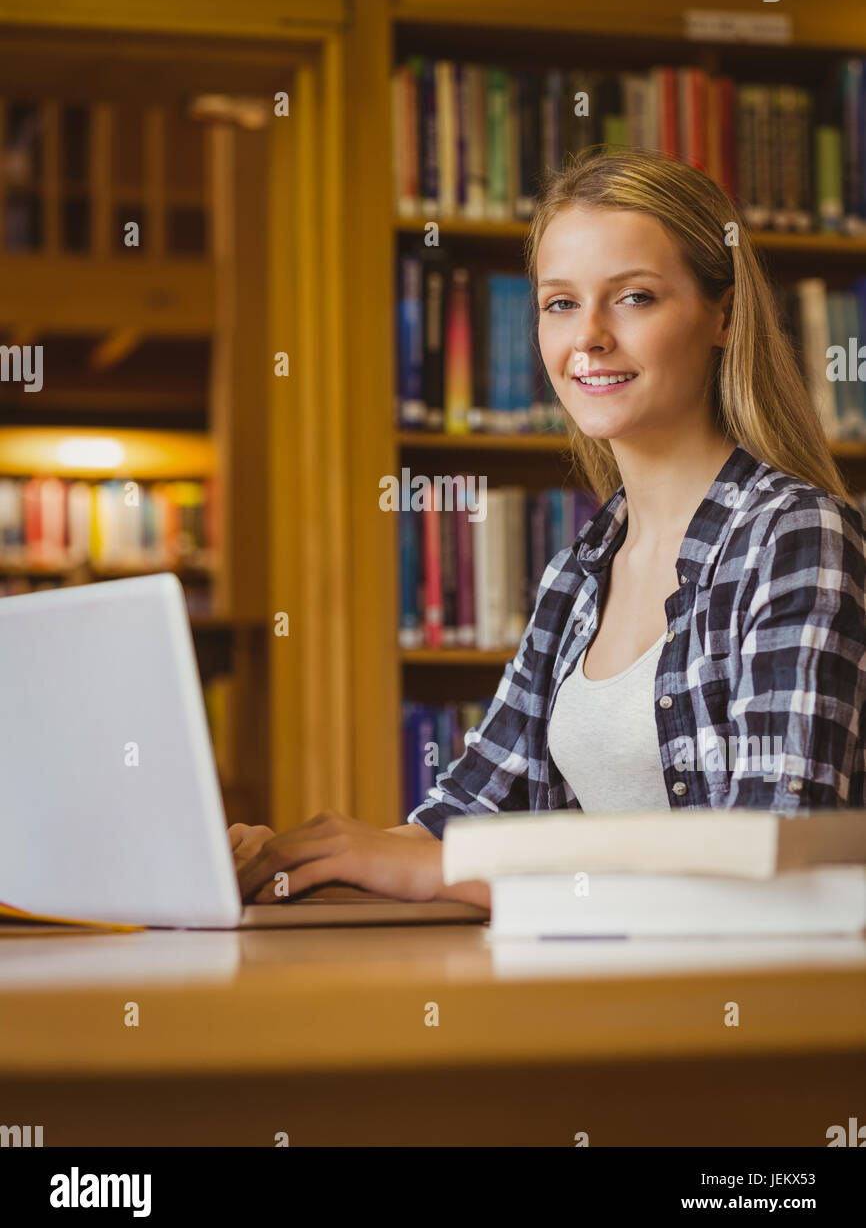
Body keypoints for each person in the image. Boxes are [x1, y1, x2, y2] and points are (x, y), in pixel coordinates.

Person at [230, 146, 866, 912]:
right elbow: (462, 822)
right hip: (601, 998)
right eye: (560, 303)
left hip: (747, 1016)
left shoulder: (797, 537)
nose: (588, 337)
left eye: (633, 298)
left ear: (722, 315)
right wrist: (297, 852)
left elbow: (775, 855)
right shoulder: (581, 570)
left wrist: (453, 872)